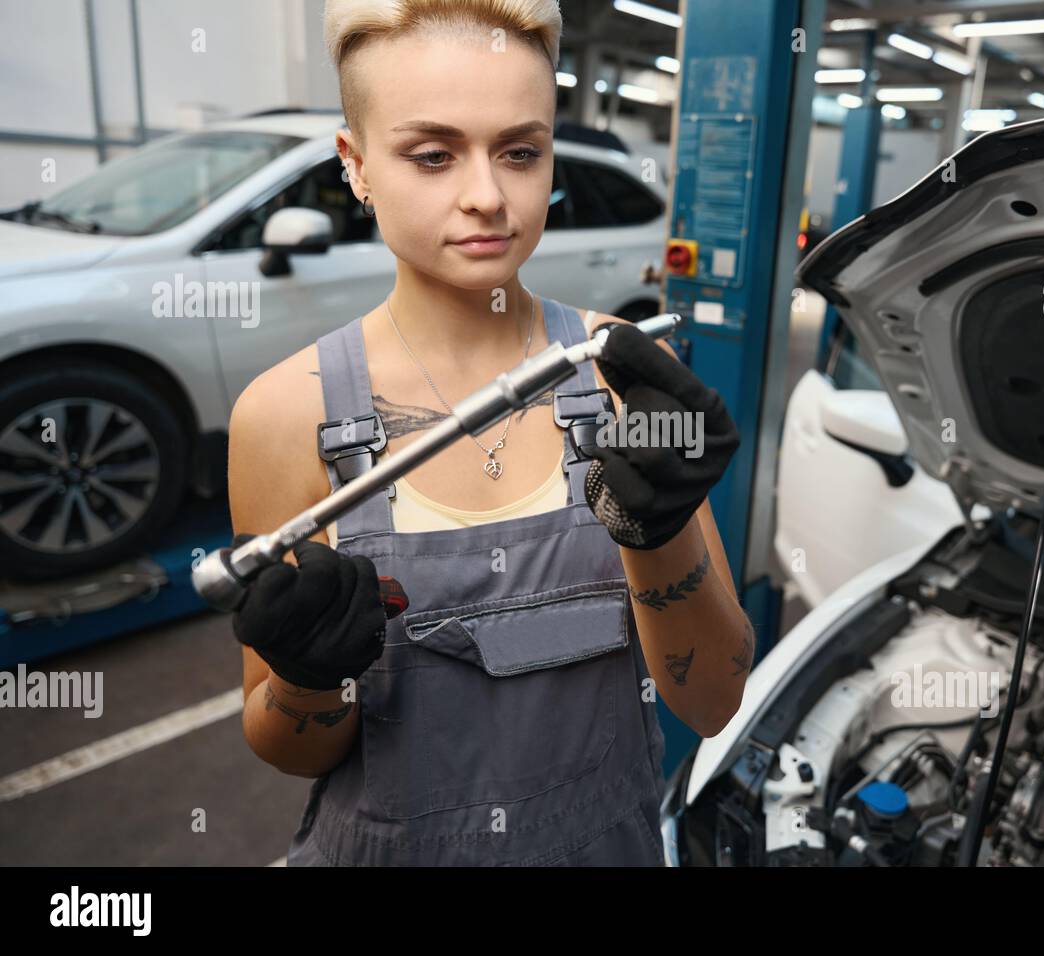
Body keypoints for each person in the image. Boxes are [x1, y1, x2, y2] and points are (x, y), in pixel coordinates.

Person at [226, 0, 754, 865]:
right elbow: (289, 746)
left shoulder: (618, 376)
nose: (487, 196)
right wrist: (308, 675)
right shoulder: (287, 414)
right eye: (432, 155)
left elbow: (712, 702)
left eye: (520, 151)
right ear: (355, 167)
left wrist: (653, 538)